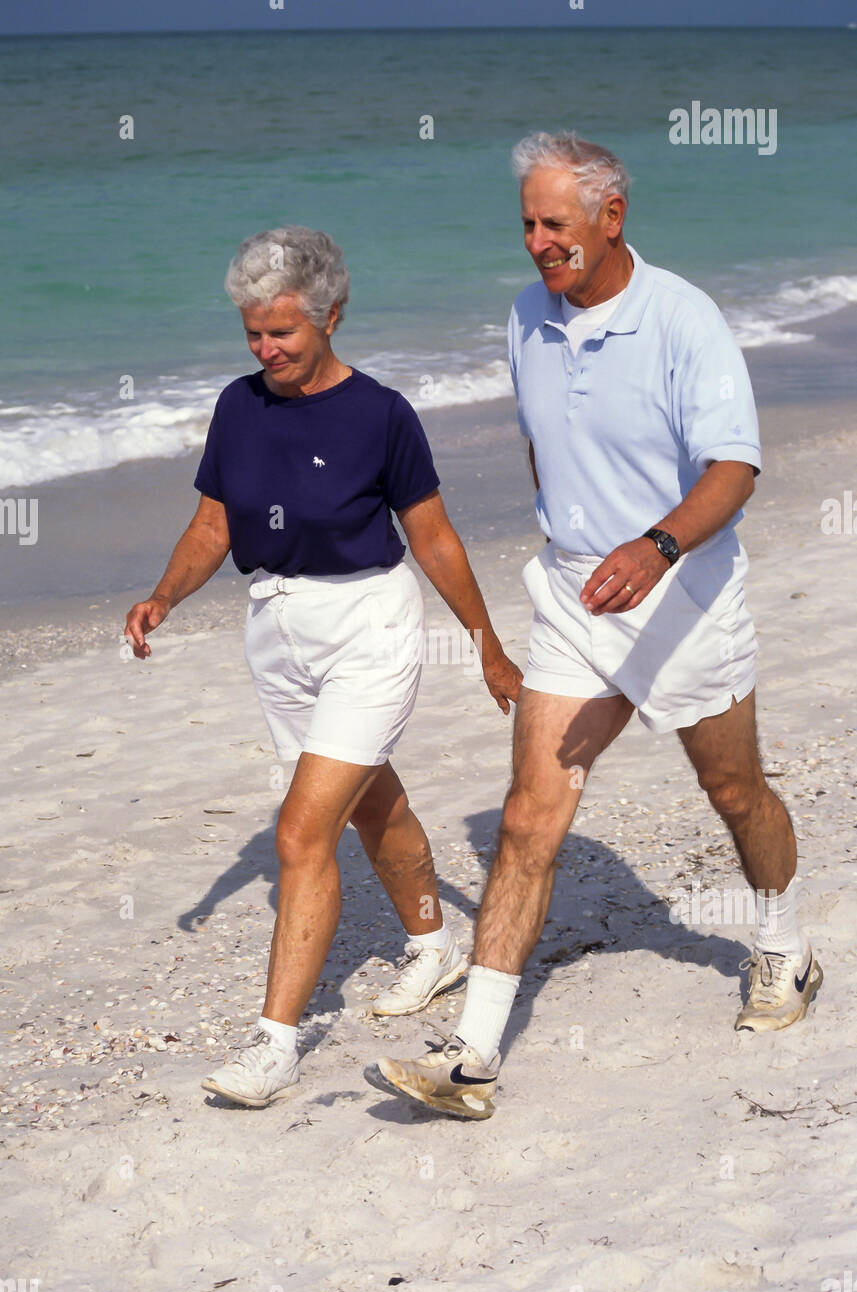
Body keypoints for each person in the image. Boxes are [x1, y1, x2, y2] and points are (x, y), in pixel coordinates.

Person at [377, 131, 822, 1120]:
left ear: (610, 217)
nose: (538, 242)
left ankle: (783, 948)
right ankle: (473, 1056)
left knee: (732, 789)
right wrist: (578, 544)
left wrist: (652, 547)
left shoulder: (681, 319)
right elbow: (547, 445)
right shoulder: (523, 318)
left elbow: (733, 469)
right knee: (530, 817)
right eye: (527, 223)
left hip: (682, 594)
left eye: (555, 223)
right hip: (573, 600)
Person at [124, 225, 521, 1108]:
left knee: (303, 832)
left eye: (283, 334)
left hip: (368, 627)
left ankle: (273, 1044)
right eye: (253, 334)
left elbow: (433, 537)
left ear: (330, 317)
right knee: (368, 797)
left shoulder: (380, 414)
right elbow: (212, 526)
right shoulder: (238, 405)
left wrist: (489, 645)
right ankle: (432, 943)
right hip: (275, 631)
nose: (267, 350)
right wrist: (162, 597)